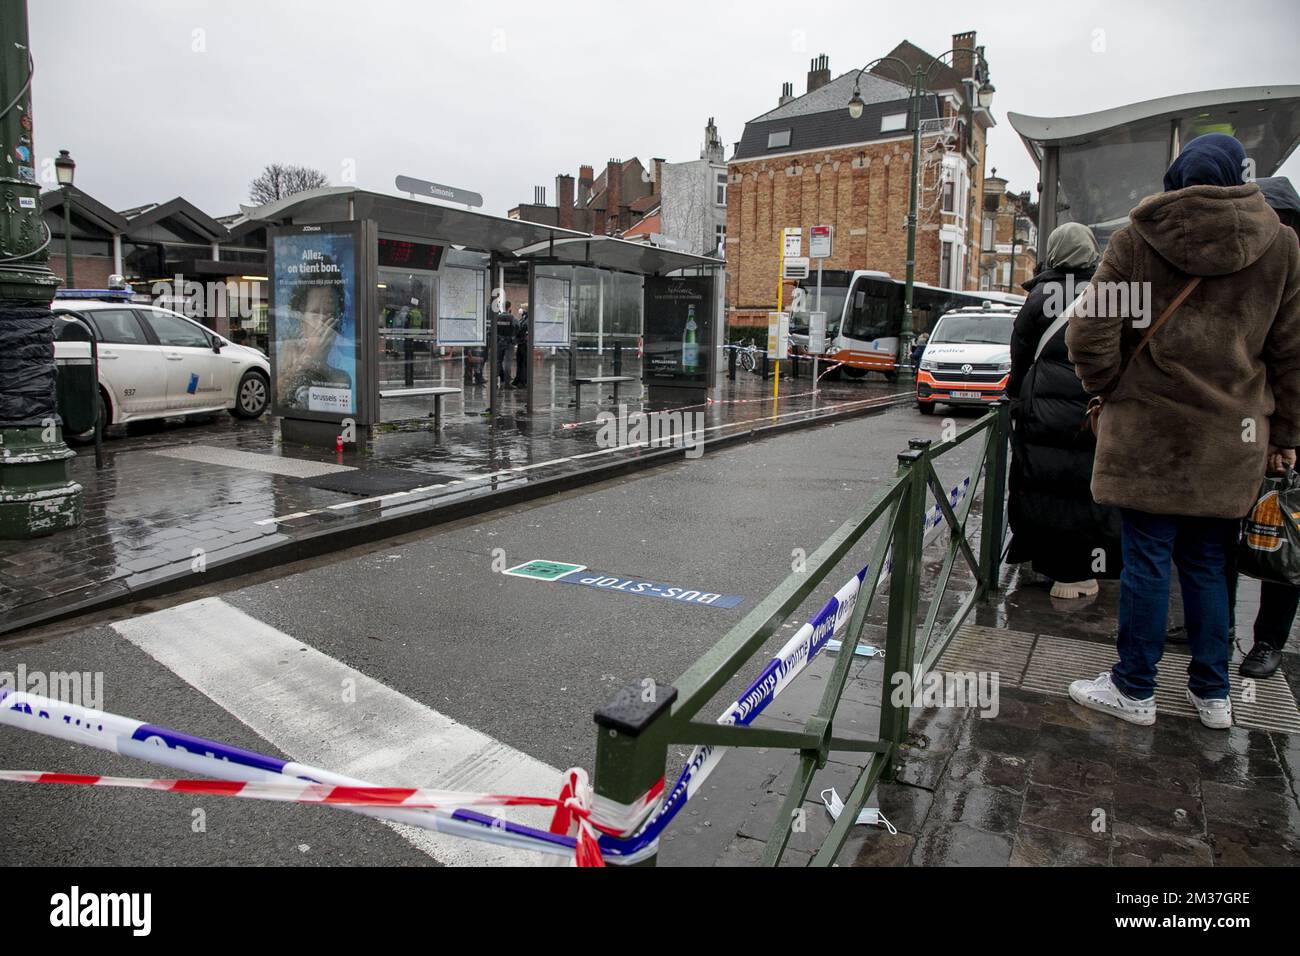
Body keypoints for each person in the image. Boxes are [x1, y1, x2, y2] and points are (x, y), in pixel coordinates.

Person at [1065, 133, 1300, 729]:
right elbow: (1291, 354)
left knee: (1148, 560)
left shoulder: (1138, 239)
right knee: (1207, 561)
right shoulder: (1281, 247)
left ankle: (1134, 688)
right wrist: (1286, 435)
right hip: (1233, 440)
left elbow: (1087, 334)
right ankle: (1213, 694)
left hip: (1150, 437)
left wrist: (1110, 386)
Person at [1007, 222, 1120, 598]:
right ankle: (1088, 568)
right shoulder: (1110, 293)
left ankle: (1056, 566)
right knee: (1087, 489)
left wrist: (1016, 395)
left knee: (1045, 484)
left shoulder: (1039, 296)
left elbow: (1020, 353)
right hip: (1093, 410)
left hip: (1044, 413)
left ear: (1054, 252)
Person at [1228, 176, 1300, 678]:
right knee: (1223, 529)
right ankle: (1214, 626)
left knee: (1284, 534)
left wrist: (1288, 436)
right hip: (1239, 426)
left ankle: (1268, 640)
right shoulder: (1243, 271)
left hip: (1285, 432)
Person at [495, 300, 515, 388]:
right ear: (509, 307)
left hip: (499, 342)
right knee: (507, 362)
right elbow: (517, 327)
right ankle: (507, 383)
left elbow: (493, 329)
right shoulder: (512, 318)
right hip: (509, 342)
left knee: (498, 362)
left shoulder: (497, 317)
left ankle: (495, 382)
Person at [512, 304, 529, 388]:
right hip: (520, 343)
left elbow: (523, 329)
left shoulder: (527, 319)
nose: (520, 309)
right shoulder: (523, 318)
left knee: (524, 363)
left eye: (522, 308)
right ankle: (518, 379)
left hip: (524, 344)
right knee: (519, 362)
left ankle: (523, 381)